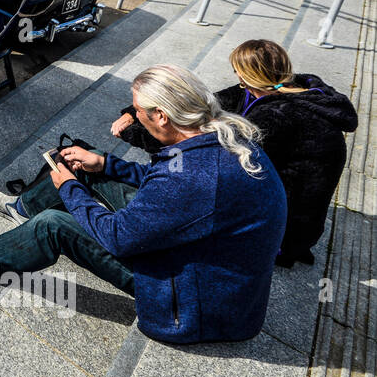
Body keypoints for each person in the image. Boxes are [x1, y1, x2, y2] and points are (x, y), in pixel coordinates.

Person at [0, 65, 287, 344]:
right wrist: (105, 164)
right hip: (208, 272)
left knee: (54, 224)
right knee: (89, 162)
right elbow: (169, 187)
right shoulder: (224, 137)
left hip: (192, 305)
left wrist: (70, 188)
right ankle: (23, 207)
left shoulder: (190, 177)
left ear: (161, 116)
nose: (134, 115)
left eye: (137, 109)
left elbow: (118, 238)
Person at [113, 41, 355, 268]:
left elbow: (202, 148)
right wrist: (134, 113)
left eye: (237, 71)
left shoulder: (278, 117)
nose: (236, 77)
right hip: (296, 209)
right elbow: (203, 105)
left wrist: (135, 133)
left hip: (286, 227)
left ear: (246, 75)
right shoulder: (286, 85)